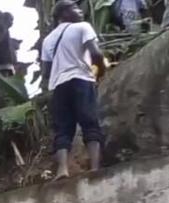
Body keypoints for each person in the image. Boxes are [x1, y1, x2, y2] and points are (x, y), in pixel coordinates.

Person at [40, 0, 107, 180]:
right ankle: (95, 167)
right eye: (75, 8)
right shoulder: (82, 27)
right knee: (89, 121)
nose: (80, 10)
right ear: (64, 14)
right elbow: (96, 54)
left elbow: (46, 72)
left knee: (63, 128)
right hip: (81, 79)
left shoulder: (47, 40)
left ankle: (62, 170)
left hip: (59, 86)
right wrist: (100, 72)